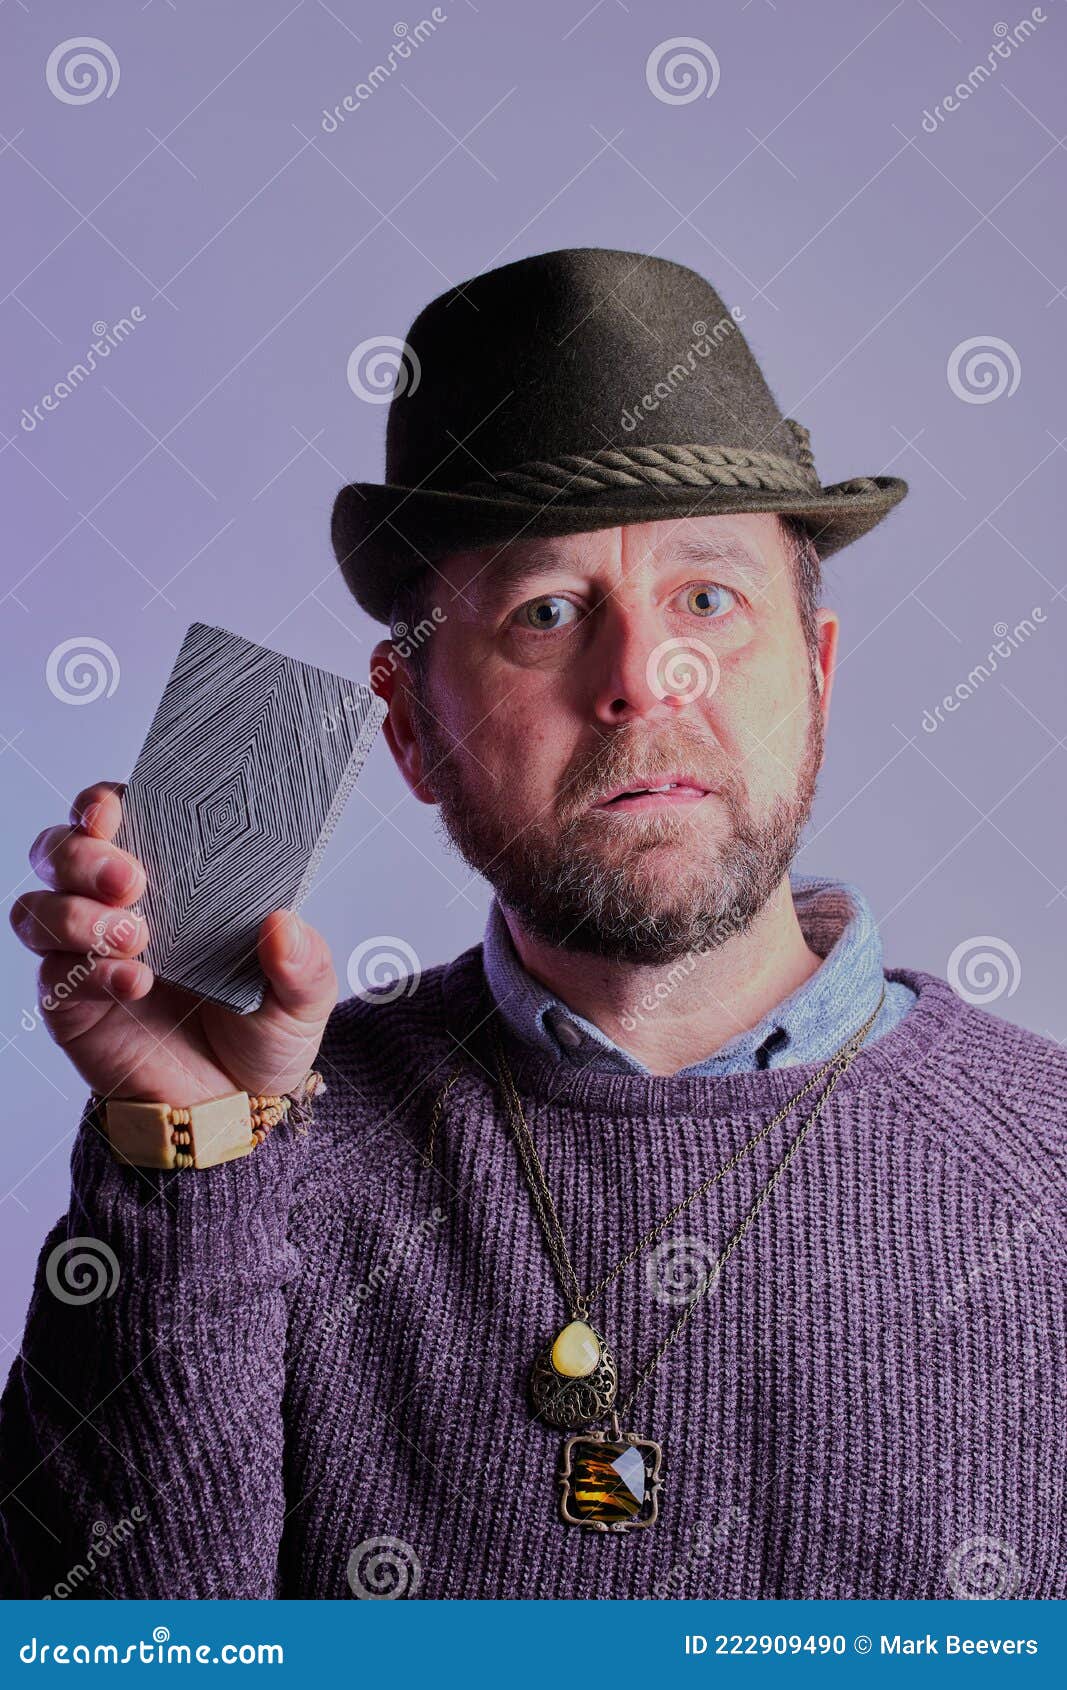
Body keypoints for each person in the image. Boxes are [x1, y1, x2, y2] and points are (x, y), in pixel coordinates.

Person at [2, 250, 1062, 1601]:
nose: (640, 677)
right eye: (546, 611)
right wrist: (189, 1156)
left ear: (821, 669)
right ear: (410, 724)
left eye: (707, 598)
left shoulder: (1052, 1174)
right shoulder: (257, 1156)